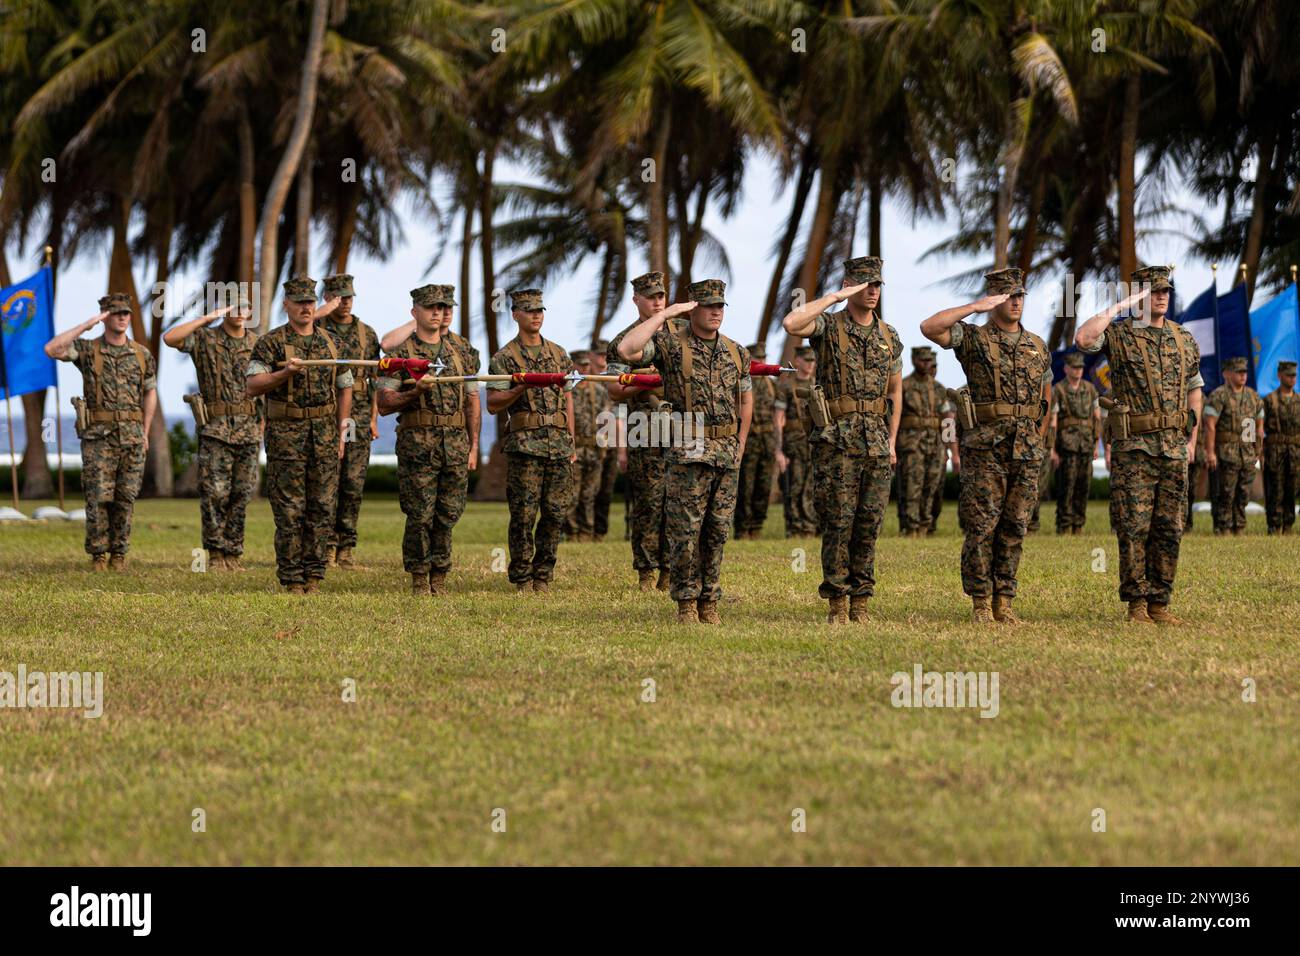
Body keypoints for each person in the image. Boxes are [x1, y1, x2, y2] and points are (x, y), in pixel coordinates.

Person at [921, 267, 1052, 625]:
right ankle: (981, 600)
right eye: (1007, 296)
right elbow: (930, 327)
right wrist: (976, 306)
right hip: (985, 448)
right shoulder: (974, 338)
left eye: (1020, 295)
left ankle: (1004, 600)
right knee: (982, 526)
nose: (1015, 302)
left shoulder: (1038, 346)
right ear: (994, 299)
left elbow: (1046, 396)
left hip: (1025, 449)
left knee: (1015, 526)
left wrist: (1040, 437)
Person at [617, 279, 751, 624]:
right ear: (693, 309)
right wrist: (667, 315)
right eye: (708, 306)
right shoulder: (671, 345)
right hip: (689, 450)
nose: (716, 312)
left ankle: (710, 600)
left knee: (717, 531)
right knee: (685, 531)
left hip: (724, 450)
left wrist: (742, 442)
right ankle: (686, 602)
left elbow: (745, 398)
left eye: (720, 306)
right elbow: (627, 350)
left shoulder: (736, 351)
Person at [1074, 265, 1202, 625]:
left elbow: (1195, 389)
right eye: (1154, 290)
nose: (1162, 295)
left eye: (1166, 290)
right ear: (1141, 295)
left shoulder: (1183, 338)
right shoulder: (1120, 335)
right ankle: (1137, 604)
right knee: (1134, 526)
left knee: (1170, 526)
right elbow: (1083, 340)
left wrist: (1190, 440)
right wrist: (1119, 307)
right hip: (1135, 449)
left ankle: (1160, 602)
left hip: (1174, 448)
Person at [782, 255, 902, 624]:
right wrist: (833, 298)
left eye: (877, 285)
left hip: (877, 443)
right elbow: (791, 323)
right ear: (851, 286)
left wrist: (892, 441)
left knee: (869, 523)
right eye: (865, 285)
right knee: (838, 522)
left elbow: (895, 391)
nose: (873, 292)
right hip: (837, 441)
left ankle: (861, 601)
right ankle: (837, 601)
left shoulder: (889, 336)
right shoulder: (829, 328)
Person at [245, 275, 352, 594]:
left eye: (310, 302)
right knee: (290, 509)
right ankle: (292, 577)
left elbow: (345, 385)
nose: (306, 308)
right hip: (285, 436)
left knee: (321, 507)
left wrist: (342, 427)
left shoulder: (332, 343)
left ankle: (315, 575)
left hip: (323, 434)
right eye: (299, 302)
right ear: (286, 305)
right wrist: (285, 373)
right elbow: (253, 386)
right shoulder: (271, 342)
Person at [375, 284, 478, 595]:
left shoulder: (462, 354)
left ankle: (440, 575)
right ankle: (420, 576)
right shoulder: (400, 355)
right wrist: (414, 393)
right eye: (431, 307)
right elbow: (384, 403)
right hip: (418, 445)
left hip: (455, 445)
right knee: (419, 514)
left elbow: (472, 400)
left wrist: (474, 447)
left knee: (449, 513)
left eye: (442, 307)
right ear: (414, 312)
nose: (438, 312)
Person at [44, 293, 157, 571]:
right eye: (116, 313)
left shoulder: (142, 354)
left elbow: (150, 392)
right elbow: (52, 349)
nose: (122, 317)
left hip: (131, 436)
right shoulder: (87, 350)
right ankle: (98, 555)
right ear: (105, 316)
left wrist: (145, 432)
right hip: (98, 437)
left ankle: (119, 554)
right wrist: (86, 325)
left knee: (125, 497)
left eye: (126, 313)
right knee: (97, 496)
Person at [605, 272, 696, 590]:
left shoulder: (686, 332)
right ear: (636, 301)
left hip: (683, 429)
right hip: (646, 431)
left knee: (680, 501)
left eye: (662, 295)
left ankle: (672, 570)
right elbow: (614, 392)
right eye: (651, 296)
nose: (658, 301)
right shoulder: (624, 341)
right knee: (649, 502)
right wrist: (646, 379)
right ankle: (646, 570)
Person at [486, 289, 576, 593]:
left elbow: (568, 397)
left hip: (559, 445)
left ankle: (543, 575)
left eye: (540, 310)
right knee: (523, 514)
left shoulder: (559, 354)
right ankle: (522, 576)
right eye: (529, 310)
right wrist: (519, 388)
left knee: (555, 512)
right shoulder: (504, 358)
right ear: (515, 315)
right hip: (525, 446)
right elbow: (493, 403)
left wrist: (571, 439)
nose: (536, 315)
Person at [163, 291, 261, 570]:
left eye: (245, 305)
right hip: (215, 430)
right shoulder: (206, 339)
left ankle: (234, 554)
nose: (240, 311)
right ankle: (216, 554)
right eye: (235, 305)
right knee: (214, 494)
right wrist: (209, 317)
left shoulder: (257, 343)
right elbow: (170, 338)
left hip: (249, 430)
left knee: (241, 494)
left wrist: (263, 424)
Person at [318, 273, 380, 569]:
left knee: (353, 484)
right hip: (326, 416)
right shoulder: (315, 329)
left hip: (358, 417)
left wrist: (373, 418)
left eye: (349, 297)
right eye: (339, 297)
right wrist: (323, 312)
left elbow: (376, 381)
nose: (345, 303)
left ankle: (346, 550)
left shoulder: (368, 333)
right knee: (327, 483)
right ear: (328, 299)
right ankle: (326, 547)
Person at [896, 346, 957, 537]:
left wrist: (951, 451)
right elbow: (894, 417)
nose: (927, 364)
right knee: (912, 484)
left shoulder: (939, 389)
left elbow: (947, 420)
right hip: (910, 443)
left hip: (935, 444)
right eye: (923, 360)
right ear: (914, 361)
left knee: (931, 485)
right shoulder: (903, 386)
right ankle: (911, 527)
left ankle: (925, 524)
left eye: (929, 360)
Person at [1204, 356, 1263, 536]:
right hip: (1226, 452)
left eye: (1244, 372)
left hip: (1246, 452)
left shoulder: (1252, 396)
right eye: (1238, 372)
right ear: (1227, 374)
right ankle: (1223, 527)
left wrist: (1257, 451)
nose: (1242, 375)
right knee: (1225, 492)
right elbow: (1210, 425)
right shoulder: (1218, 395)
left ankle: (1239, 526)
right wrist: (1210, 452)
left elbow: (1257, 425)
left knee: (1243, 492)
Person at [1049, 352, 1101, 534]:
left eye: (1080, 367)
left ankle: (1078, 525)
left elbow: (1097, 420)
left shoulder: (1090, 389)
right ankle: (1063, 525)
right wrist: (1053, 450)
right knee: (1066, 486)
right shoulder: (1058, 390)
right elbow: (1053, 423)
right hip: (1066, 446)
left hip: (1086, 445)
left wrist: (1096, 445)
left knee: (1083, 485)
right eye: (1074, 367)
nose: (1078, 371)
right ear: (1066, 369)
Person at [734, 341, 778, 539]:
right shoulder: (740, 383)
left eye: (764, 358)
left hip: (767, 441)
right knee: (745, 486)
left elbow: (777, 416)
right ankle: (742, 528)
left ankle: (757, 526)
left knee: (764, 485)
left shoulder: (772, 384)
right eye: (757, 359)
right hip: (749, 441)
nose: (762, 362)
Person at [774, 347, 819, 537]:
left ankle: (810, 527)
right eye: (806, 360)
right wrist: (778, 451)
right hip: (793, 444)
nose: (810, 364)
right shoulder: (786, 386)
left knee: (813, 486)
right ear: (797, 361)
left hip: (814, 443)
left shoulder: (818, 385)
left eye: (812, 360)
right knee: (794, 485)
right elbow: (778, 418)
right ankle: (795, 528)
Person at [567, 349, 610, 541]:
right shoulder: (568, 390)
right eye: (580, 365)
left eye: (586, 365)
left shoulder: (599, 391)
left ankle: (587, 531)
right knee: (572, 494)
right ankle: (571, 532)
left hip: (593, 449)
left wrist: (603, 447)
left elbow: (605, 420)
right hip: (575, 449)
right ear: (573, 365)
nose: (583, 368)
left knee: (590, 494)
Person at [1262, 360, 1300, 534]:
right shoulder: (1269, 400)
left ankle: (1288, 525)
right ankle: (1274, 525)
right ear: (1279, 376)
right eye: (1289, 375)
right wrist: (1257, 451)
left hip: (1294, 453)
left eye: (1294, 375)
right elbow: (1257, 426)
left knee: (1291, 490)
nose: (1292, 379)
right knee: (1274, 488)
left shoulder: (1299, 401)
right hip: (1274, 452)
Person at [588, 340, 619, 540]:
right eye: (598, 355)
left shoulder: (615, 378)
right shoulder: (585, 379)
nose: (602, 359)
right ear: (590, 356)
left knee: (606, 490)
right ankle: (582, 530)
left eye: (605, 355)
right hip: (590, 442)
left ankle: (600, 532)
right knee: (587, 490)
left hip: (613, 441)